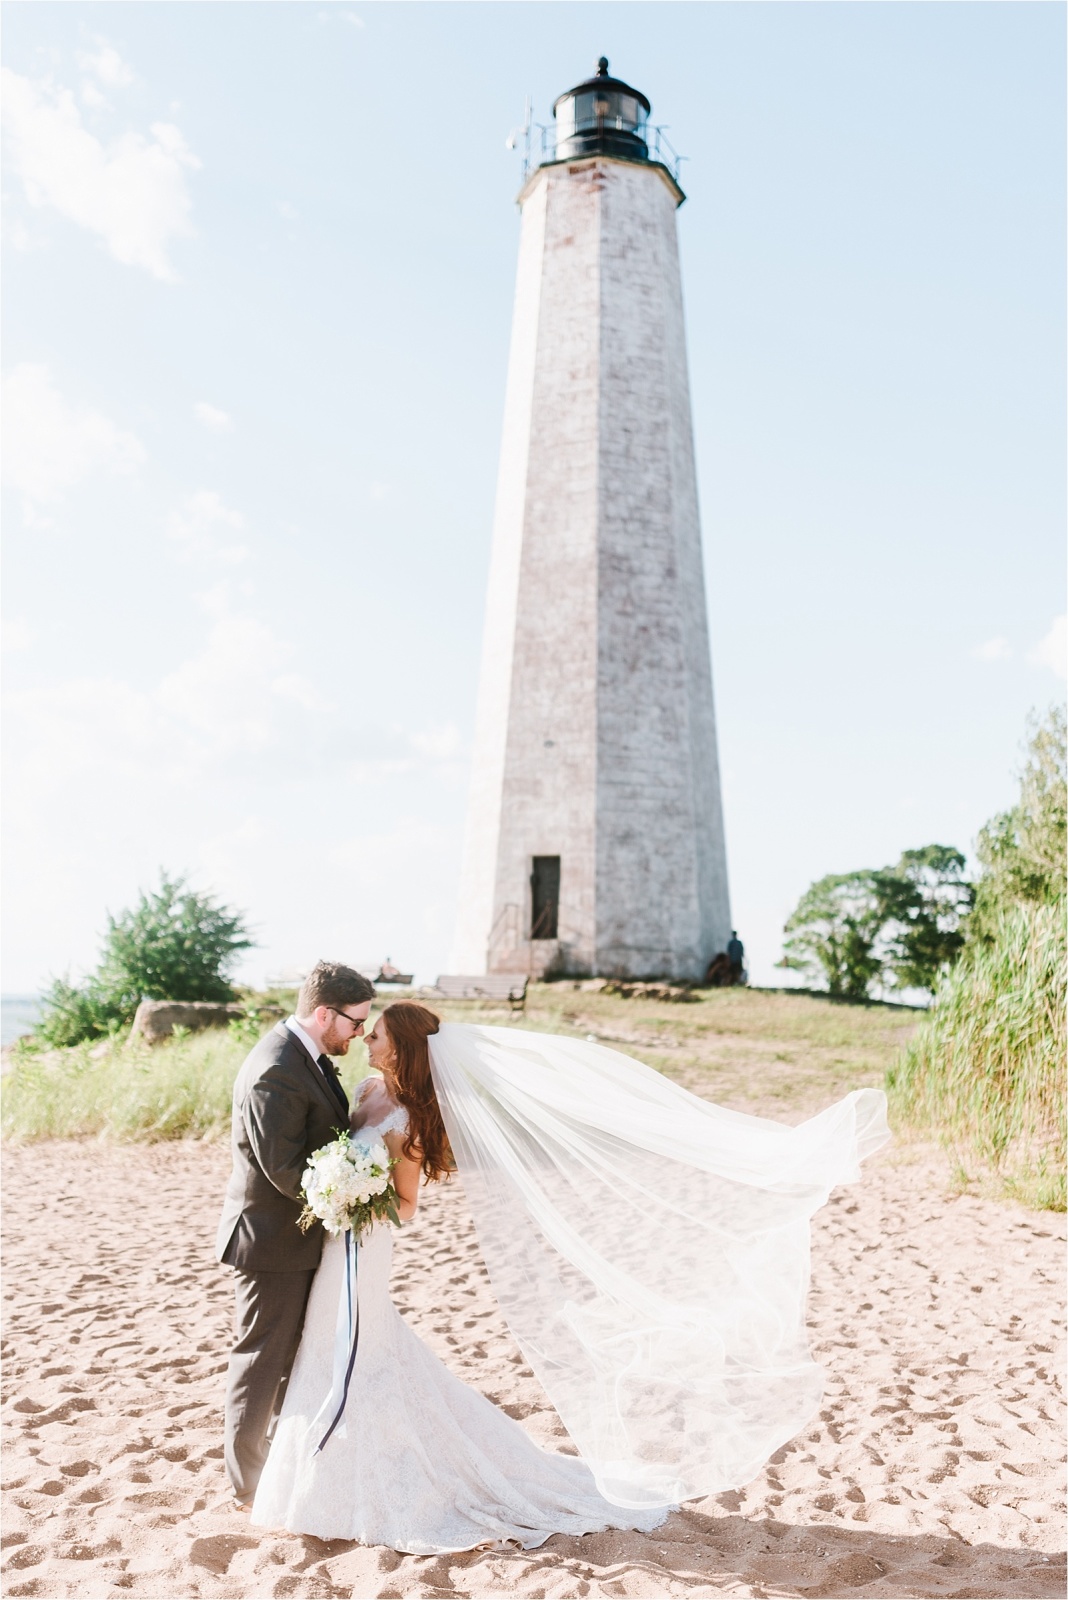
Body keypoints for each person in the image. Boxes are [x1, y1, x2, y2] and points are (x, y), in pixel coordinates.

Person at [251, 1002, 890, 1549]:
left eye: (379, 1033)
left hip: (368, 1243)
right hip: (341, 1242)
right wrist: (336, 1184)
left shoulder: (412, 1119)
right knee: (333, 1342)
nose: (368, 1039)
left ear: (403, 1046)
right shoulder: (366, 1094)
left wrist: (358, 1194)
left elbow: (409, 1206)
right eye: (367, 1031)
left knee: (360, 1345)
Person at [215, 960, 376, 1509]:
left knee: (290, 1358)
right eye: (355, 1023)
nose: (359, 1034)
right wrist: (350, 1195)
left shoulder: (308, 1057)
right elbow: (284, 1168)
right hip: (270, 1239)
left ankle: (282, 1468)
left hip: (298, 1237)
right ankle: (248, 1482)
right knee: (261, 1358)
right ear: (324, 1013)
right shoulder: (276, 1068)